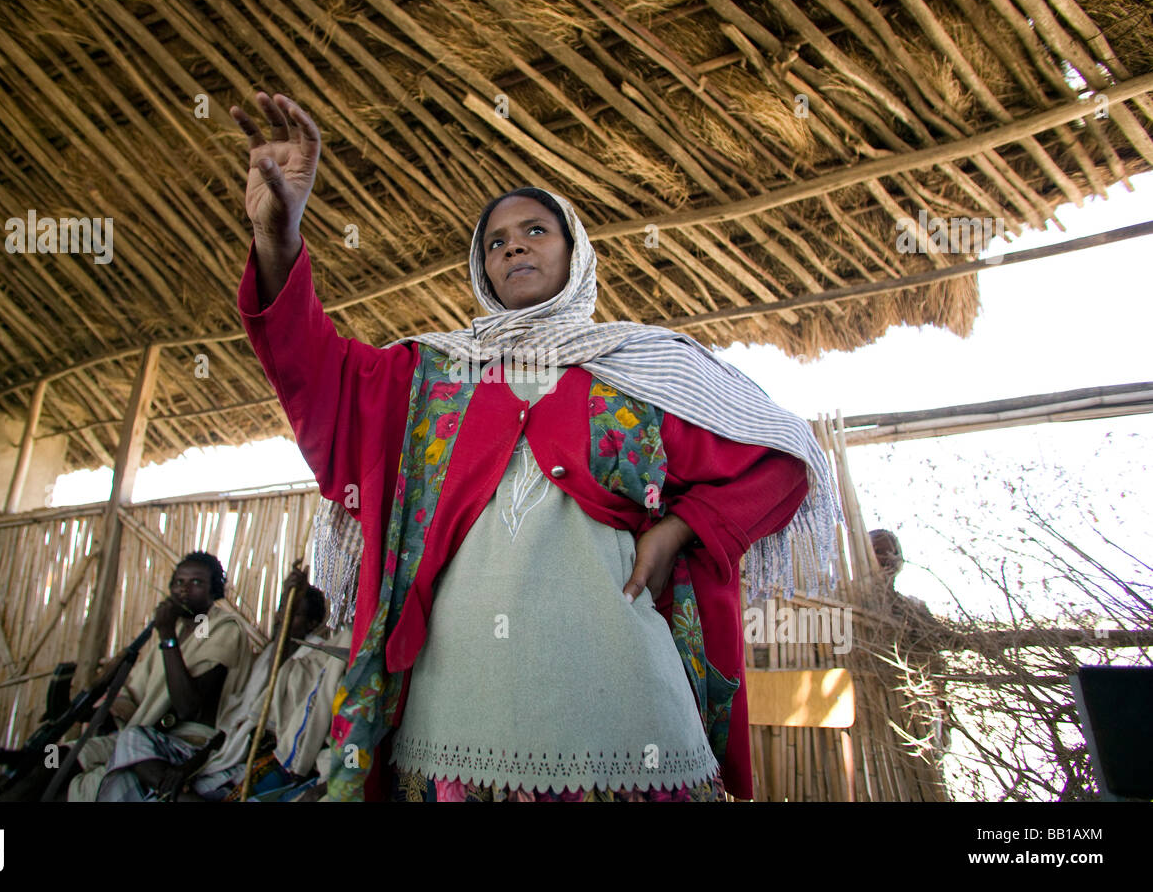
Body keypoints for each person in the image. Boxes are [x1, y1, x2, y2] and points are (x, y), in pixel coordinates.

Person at [231, 92, 843, 802]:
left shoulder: (644, 368)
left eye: (535, 230)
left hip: (622, 703)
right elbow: (314, 371)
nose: (514, 245)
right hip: (455, 707)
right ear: (480, 269)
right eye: (495, 241)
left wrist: (682, 528)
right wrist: (279, 240)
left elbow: (781, 458)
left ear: (575, 251)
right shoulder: (428, 374)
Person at [65, 551, 249, 801]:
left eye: (196, 583)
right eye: (178, 582)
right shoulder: (177, 634)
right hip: (143, 734)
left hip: (186, 742)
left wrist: (167, 637)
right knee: (59, 757)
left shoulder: (219, 628)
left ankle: (176, 793)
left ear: (214, 590)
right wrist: (100, 711)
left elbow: (187, 706)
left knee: (119, 757)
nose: (184, 590)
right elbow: (134, 693)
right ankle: (27, 766)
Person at [195, 564, 353, 802]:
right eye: (281, 610)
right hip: (248, 744)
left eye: (294, 613)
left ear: (312, 624)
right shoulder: (275, 650)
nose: (283, 617)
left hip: (279, 751)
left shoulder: (317, 655)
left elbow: (277, 681)